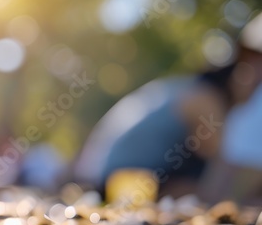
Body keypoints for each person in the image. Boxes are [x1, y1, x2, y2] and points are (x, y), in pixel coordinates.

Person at [76, 14, 262, 197]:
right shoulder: (205, 100)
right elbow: (219, 178)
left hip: (111, 176)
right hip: (117, 181)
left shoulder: (190, 87)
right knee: (196, 187)